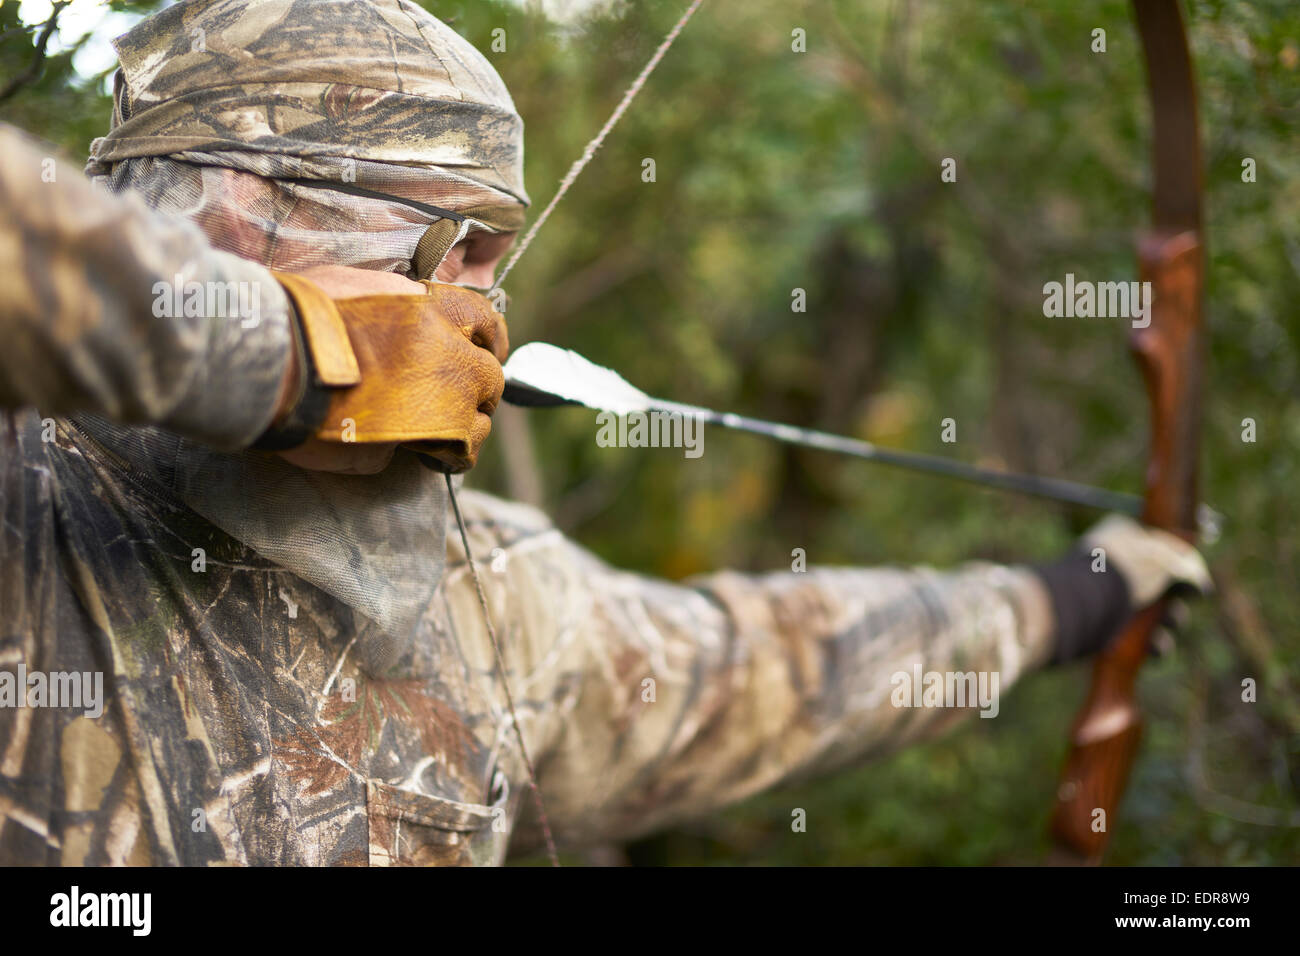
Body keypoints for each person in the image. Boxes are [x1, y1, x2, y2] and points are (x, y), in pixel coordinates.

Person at [0, 0, 1208, 866]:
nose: (482, 302)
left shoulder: (497, 594)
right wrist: (287, 359)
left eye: (497, 258)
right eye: (446, 244)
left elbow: (772, 668)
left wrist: (1078, 595)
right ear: (231, 205)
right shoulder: (30, 487)